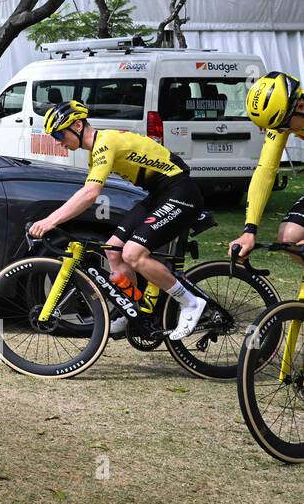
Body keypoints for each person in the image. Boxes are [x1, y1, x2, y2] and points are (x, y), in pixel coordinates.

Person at [28, 100, 208, 341]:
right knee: (113, 250)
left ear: (78, 126)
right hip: (158, 194)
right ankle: (133, 311)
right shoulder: (97, 150)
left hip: (180, 191)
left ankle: (190, 302)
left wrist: (51, 220)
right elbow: (88, 193)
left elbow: (90, 194)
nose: (58, 141)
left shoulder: (105, 142)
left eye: (59, 134)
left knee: (133, 253)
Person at [230, 72, 304, 265]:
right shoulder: (286, 115)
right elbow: (265, 170)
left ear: (300, 107)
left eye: (282, 126)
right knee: (289, 238)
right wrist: (249, 230)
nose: (279, 131)